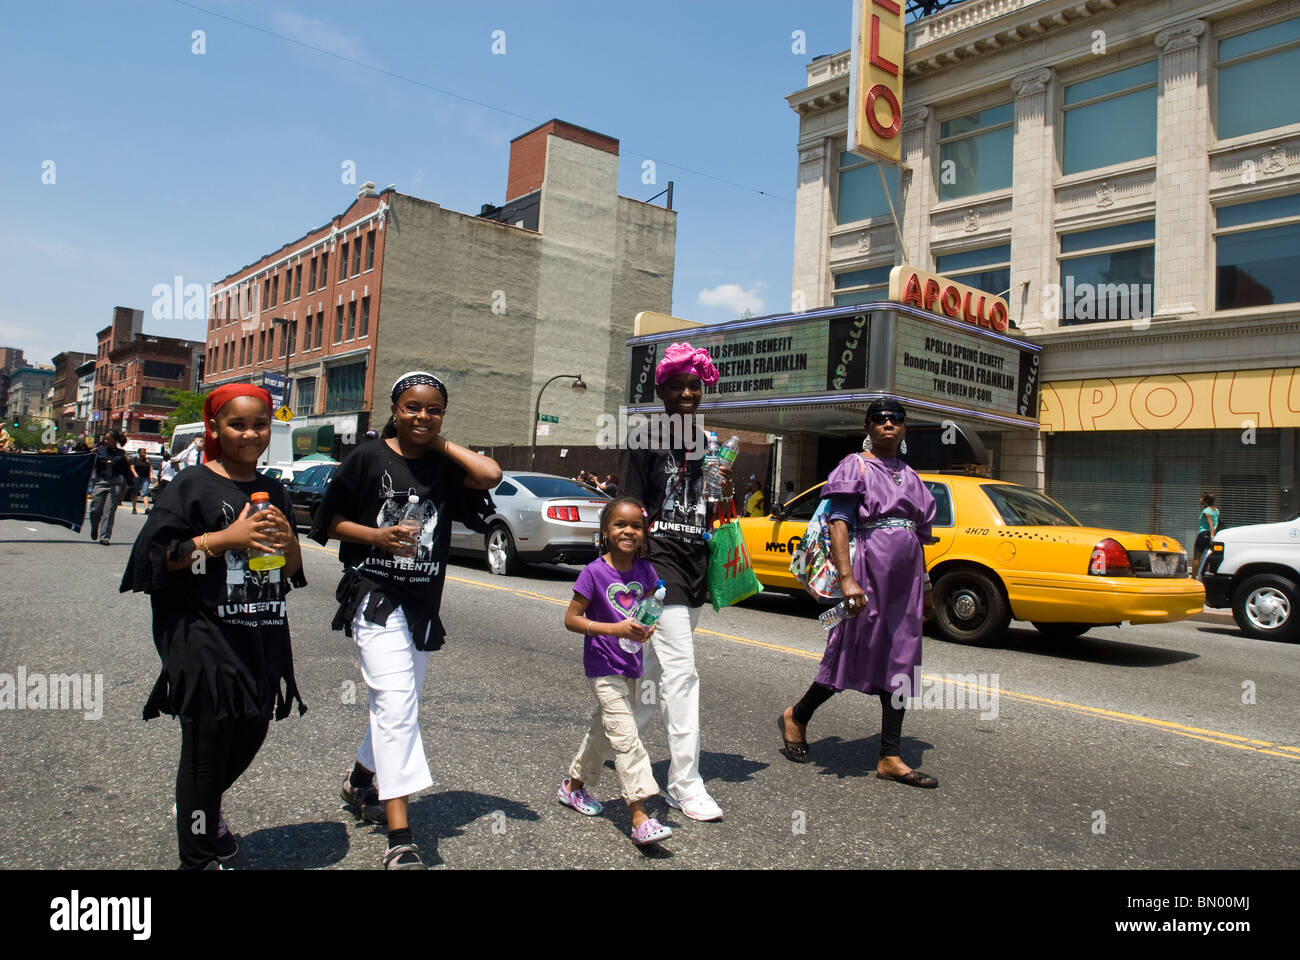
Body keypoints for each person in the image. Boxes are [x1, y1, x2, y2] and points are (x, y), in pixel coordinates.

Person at [310, 371, 501, 870]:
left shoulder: (440, 465)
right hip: (373, 595)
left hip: (421, 604)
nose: (422, 416)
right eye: (412, 407)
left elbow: (490, 474)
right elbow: (327, 523)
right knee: (396, 706)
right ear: (394, 409)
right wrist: (376, 537)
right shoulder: (367, 458)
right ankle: (401, 837)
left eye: (433, 409)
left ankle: (358, 781)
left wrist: (438, 441)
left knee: (400, 703)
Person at [120, 384, 306, 869]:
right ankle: (198, 856)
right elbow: (155, 558)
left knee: (253, 727)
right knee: (207, 743)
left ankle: (199, 808)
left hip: (259, 627)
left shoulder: (276, 490)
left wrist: (288, 542)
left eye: (260, 424)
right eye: (237, 424)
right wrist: (225, 537)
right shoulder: (191, 486)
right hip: (200, 631)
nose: (250, 433)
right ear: (215, 429)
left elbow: (288, 573)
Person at [778, 397, 940, 789]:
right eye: (880, 419)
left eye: (896, 419)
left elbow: (919, 537)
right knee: (850, 650)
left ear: (904, 428)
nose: (889, 424)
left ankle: (890, 755)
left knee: (902, 661)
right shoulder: (856, 466)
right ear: (868, 428)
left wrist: (928, 591)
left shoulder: (911, 476)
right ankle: (797, 716)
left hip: (907, 583)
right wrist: (848, 579)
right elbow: (839, 522)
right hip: (868, 573)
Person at [619, 342, 729, 822]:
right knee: (682, 676)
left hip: (696, 567)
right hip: (659, 571)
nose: (688, 392)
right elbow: (628, 508)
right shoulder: (645, 438)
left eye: (695, 385)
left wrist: (721, 487)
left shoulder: (710, 444)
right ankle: (686, 785)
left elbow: (711, 509)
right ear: (661, 389)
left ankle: (595, 765)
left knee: (651, 680)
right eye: (678, 385)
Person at [556, 497, 672, 845]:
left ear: (644, 531)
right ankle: (639, 815)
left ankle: (573, 786)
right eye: (620, 525)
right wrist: (614, 630)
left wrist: (645, 628)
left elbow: (646, 611)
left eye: (636, 525)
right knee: (626, 736)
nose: (628, 531)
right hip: (602, 665)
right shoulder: (594, 572)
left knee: (604, 731)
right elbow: (571, 619)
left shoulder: (645, 572)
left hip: (630, 663)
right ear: (606, 531)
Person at [88, 429, 132, 544]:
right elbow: (89, 464)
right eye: (105, 439)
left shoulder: (121, 454)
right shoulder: (99, 451)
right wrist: (90, 453)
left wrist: (132, 486)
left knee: (109, 511)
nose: (106, 441)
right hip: (100, 482)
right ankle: (94, 528)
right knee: (95, 510)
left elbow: (126, 471)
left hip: (115, 483)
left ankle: (105, 537)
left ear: (115, 441)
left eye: (108, 439)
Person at [1193, 492, 1220, 578]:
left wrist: (1211, 537)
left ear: (1205, 500)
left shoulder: (1206, 511)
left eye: (1201, 498)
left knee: (1197, 557)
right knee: (1210, 557)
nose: (1199, 499)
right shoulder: (1216, 510)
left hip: (1204, 534)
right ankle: (1204, 574)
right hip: (1212, 535)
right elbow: (1216, 524)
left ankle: (1193, 577)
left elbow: (1211, 524)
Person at [130, 448, 152, 514]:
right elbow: (132, 467)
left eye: (145, 452)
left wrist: (151, 476)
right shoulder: (135, 459)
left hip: (145, 478)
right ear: (139, 453)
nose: (145, 453)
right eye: (143, 452)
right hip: (137, 477)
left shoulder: (147, 459)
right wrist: (135, 474)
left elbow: (150, 468)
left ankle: (147, 508)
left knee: (145, 492)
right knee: (135, 492)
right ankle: (134, 508)